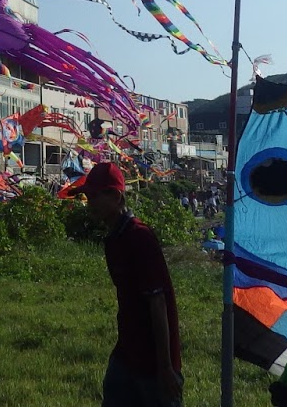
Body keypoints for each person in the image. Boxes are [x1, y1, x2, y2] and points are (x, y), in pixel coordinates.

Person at [82, 162, 182, 407]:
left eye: (94, 197)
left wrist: (166, 367)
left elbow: (157, 303)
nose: (89, 204)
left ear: (116, 197)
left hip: (153, 359)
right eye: (87, 197)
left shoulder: (139, 237)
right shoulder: (113, 239)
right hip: (127, 350)